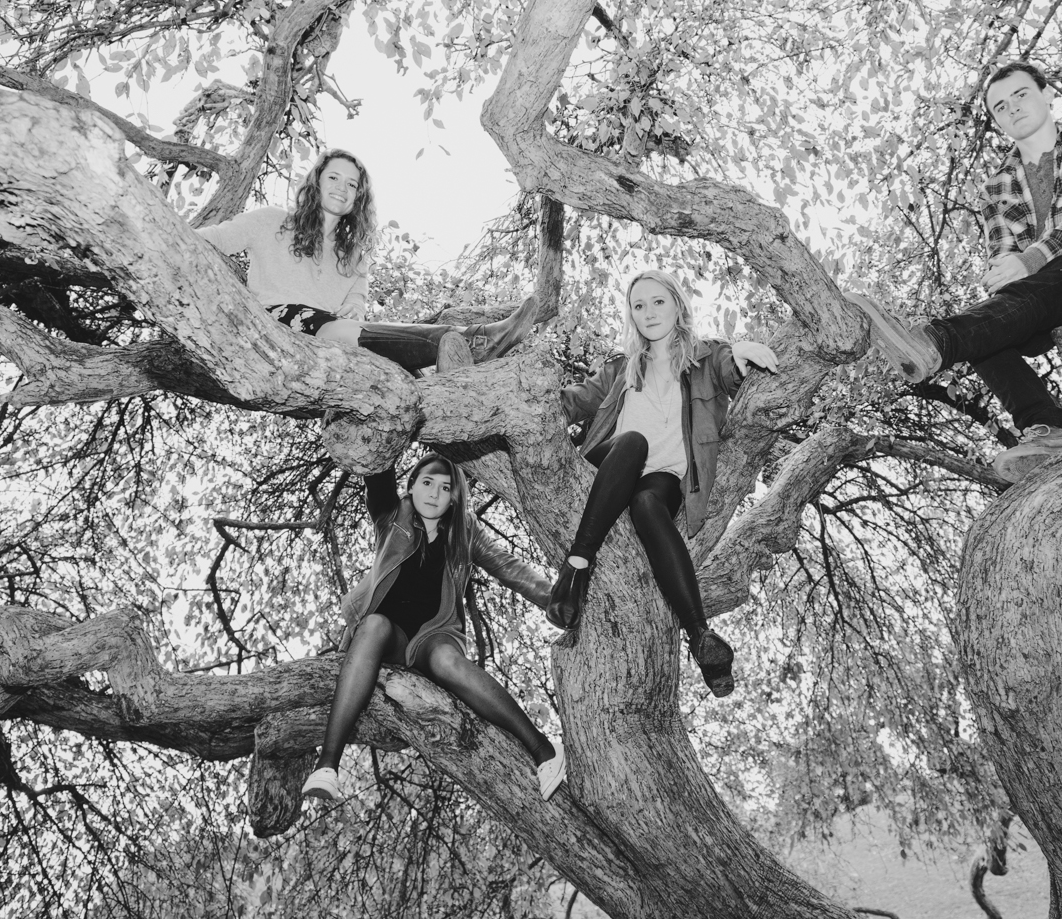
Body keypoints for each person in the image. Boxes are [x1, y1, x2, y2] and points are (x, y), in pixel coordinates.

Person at [847, 61, 1062, 483]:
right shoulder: (995, 187)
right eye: (1000, 107)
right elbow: (1004, 258)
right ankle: (1050, 427)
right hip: (1040, 296)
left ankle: (936, 341)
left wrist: (1030, 260)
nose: (1013, 108)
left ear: (1046, 94)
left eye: (1021, 95)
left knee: (1039, 280)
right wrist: (1010, 275)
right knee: (988, 329)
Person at [549, 269, 779, 697]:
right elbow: (570, 404)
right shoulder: (620, 369)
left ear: (677, 304)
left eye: (658, 302)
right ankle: (576, 567)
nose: (649, 312)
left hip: (664, 475)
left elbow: (730, 367)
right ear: (631, 315)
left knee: (649, 507)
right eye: (639, 305)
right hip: (612, 462)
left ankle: (701, 637)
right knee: (633, 441)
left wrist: (742, 350)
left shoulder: (703, 358)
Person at [302, 451, 566, 802]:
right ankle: (327, 766)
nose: (434, 493)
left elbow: (510, 568)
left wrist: (554, 600)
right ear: (410, 487)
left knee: (447, 661)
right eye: (426, 483)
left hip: (434, 634)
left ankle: (545, 751)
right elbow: (376, 470)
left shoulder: (465, 531)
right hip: (388, 635)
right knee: (374, 625)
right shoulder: (391, 513)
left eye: (445, 488)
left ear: (454, 496)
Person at [197, 149, 536, 370]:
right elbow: (209, 241)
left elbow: (356, 310)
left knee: (404, 377)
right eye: (333, 178)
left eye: (352, 184)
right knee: (336, 327)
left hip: (334, 338)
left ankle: (453, 363)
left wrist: (352, 311)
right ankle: (475, 338)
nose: (341, 188)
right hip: (278, 326)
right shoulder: (270, 220)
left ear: (359, 196)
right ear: (316, 181)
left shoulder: (355, 256)